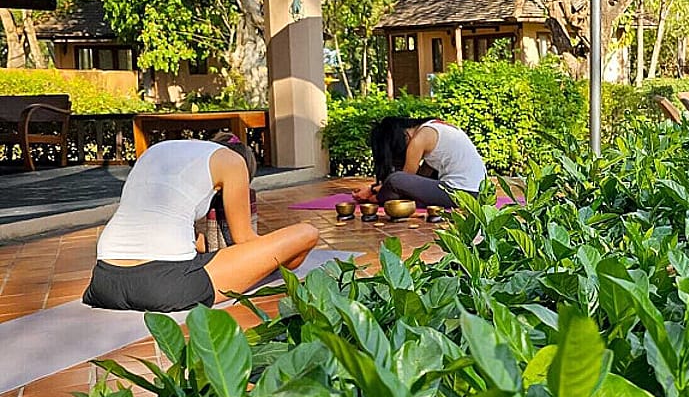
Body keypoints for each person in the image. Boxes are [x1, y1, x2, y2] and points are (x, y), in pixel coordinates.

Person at [83, 133, 319, 312]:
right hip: (163, 287)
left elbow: (181, 235)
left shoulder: (159, 149)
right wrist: (266, 256)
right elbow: (245, 240)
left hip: (104, 280)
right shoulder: (232, 162)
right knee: (306, 233)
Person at [352, 117, 486, 208]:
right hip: (477, 192)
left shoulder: (418, 140)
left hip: (464, 192)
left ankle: (379, 199)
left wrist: (372, 190)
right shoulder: (433, 126)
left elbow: (403, 180)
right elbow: (420, 178)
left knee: (395, 180)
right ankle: (385, 197)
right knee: (397, 186)